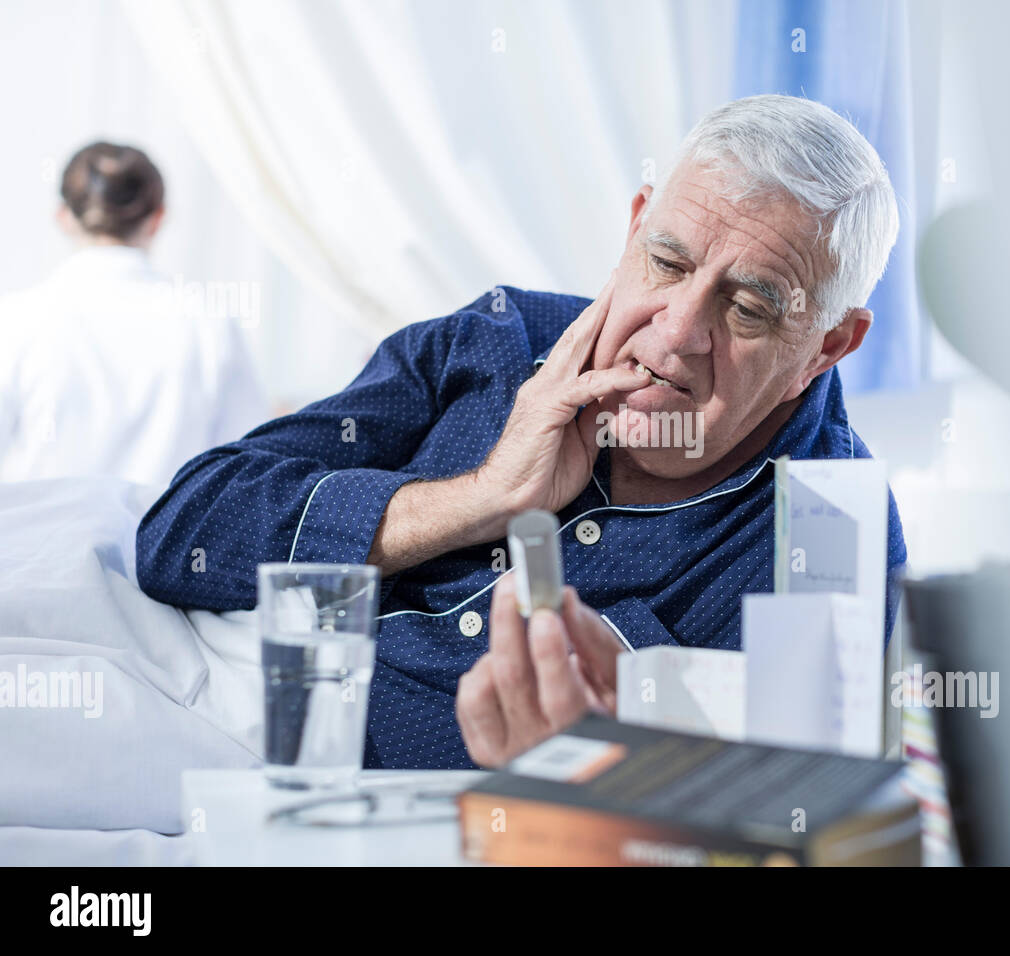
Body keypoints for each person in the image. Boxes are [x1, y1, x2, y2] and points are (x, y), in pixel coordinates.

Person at [135, 95, 909, 769]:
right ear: (635, 227)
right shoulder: (499, 338)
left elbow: (793, 806)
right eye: (668, 263)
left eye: (747, 309)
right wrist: (480, 498)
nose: (675, 336)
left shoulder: (830, 522)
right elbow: (179, 533)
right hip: (206, 708)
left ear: (828, 346)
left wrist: (612, 750)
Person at [0, 141, 267, 487]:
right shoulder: (210, 325)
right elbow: (245, 462)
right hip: (168, 540)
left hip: (34, 540)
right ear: (158, 218)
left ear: (64, 217)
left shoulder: (16, 320)